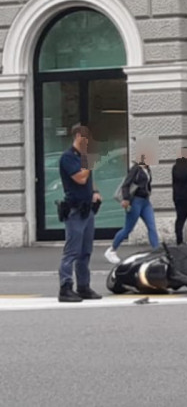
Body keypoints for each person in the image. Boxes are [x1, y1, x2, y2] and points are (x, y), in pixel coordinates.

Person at [58, 124, 104, 303]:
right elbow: (80, 178)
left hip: (86, 209)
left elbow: (89, 182)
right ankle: (65, 287)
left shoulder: (84, 157)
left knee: (85, 251)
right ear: (77, 136)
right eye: (85, 139)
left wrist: (95, 192)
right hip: (74, 209)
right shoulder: (67, 158)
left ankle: (83, 286)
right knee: (72, 251)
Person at [105, 143, 159, 263]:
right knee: (128, 228)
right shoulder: (135, 169)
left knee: (152, 227)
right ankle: (112, 250)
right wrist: (126, 199)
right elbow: (126, 185)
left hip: (145, 202)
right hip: (135, 202)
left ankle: (157, 252)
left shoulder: (147, 169)